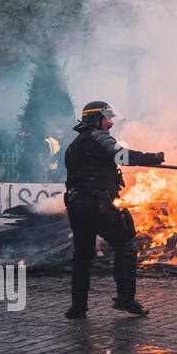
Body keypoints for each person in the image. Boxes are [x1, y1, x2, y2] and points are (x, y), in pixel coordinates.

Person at [63, 101, 165, 318]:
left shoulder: (74, 145)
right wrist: (151, 158)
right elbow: (121, 156)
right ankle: (125, 300)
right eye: (106, 118)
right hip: (96, 205)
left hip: (76, 206)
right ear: (95, 119)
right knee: (125, 245)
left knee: (83, 256)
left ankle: (77, 307)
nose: (110, 123)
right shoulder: (98, 138)